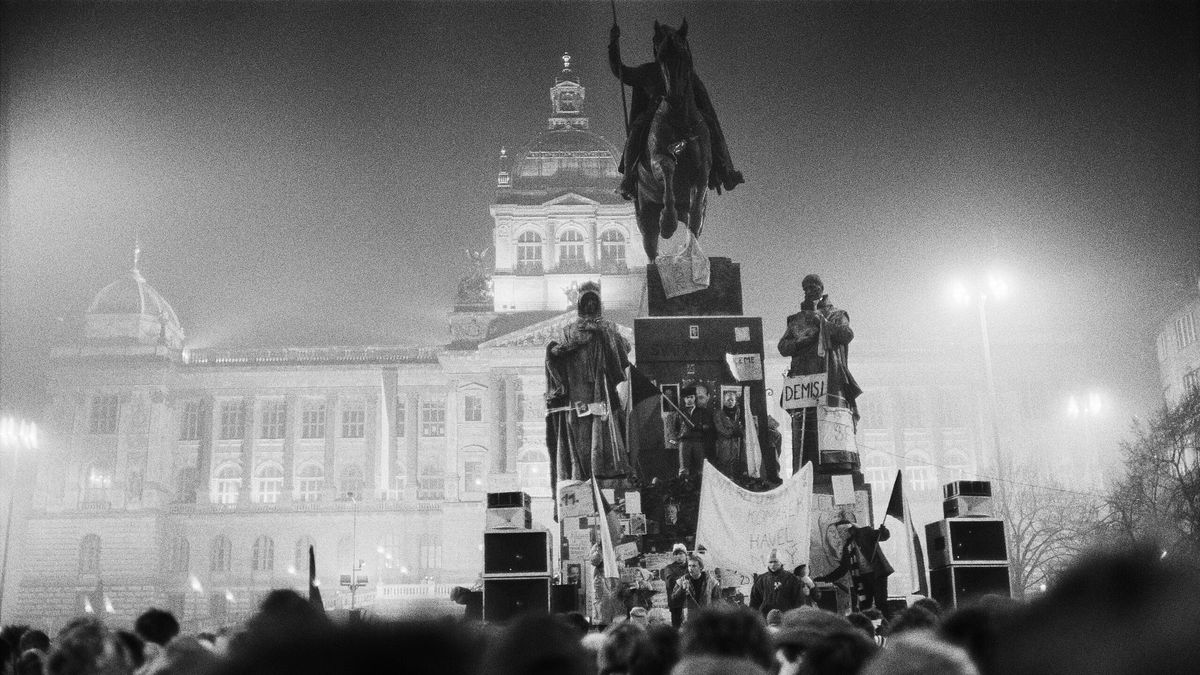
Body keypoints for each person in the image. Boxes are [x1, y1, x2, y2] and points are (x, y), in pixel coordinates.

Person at [607, 22, 744, 200]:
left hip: (686, 114)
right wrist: (613, 44)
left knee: (710, 124)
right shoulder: (648, 71)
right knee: (636, 130)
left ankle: (723, 169)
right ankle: (629, 177)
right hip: (655, 116)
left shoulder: (685, 72)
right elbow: (621, 71)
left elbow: (702, 99)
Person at [547, 281, 633, 480]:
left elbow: (626, 348)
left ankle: (605, 465)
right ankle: (582, 469)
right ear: (580, 304)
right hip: (577, 383)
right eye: (587, 302)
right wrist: (558, 350)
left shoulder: (608, 326)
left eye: (594, 302)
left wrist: (605, 333)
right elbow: (558, 351)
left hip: (601, 383)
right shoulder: (569, 329)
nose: (591, 306)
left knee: (603, 419)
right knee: (577, 422)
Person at [777, 274, 861, 474]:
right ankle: (807, 467)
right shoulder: (797, 319)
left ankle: (837, 465)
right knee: (806, 426)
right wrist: (803, 342)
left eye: (814, 286)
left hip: (830, 378)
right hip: (804, 382)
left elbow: (846, 334)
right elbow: (783, 346)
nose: (809, 290)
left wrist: (821, 321)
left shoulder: (837, 314)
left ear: (822, 289)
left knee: (830, 422)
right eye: (806, 287)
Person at [815, 522, 893, 616]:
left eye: (843, 531)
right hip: (863, 578)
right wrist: (825, 579)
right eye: (839, 532)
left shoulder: (865, 532)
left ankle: (890, 628)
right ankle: (868, 628)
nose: (840, 534)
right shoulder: (847, 547)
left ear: (851, 529)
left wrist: (883, 530)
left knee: (881, 603)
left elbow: (884, 536)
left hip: (877, 574)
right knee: (865, 606)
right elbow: (844, 568)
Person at [669, 385, 716, 478]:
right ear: (684, 399)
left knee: (701, 468)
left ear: (695, 398)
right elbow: (674, 428)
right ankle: (683, 489)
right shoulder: (679, 413)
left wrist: (698, 427)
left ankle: (700, 489)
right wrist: (676, 439)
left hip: (698, 441)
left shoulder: (702, 412)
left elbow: (708, 426)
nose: (689, 399)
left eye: (691, 397)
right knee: (683, 469)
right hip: (684, 442)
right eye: (687, 397)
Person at [749, 549, 804, 618]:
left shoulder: (792, 579)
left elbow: (798, 602)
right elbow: (754, 603)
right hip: (765, 618)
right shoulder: (761, 580)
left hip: (786, 618)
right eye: (770, 562)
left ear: (781, 562)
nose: (773, 564)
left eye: (775, 561)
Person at [671, 554, 721, 621]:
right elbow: (674, 599)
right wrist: (682, 589)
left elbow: (717, 601)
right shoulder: (682, 580)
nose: (690, 568)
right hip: (690, 618)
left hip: (706, 617)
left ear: (700, 567)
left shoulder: (711, 582)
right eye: (689, 566)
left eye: (694, 566)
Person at [712, 389, 745, 477]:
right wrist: (730, 433)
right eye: (728, 400)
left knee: (734, 460)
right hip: (723, 441)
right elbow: (719, 427)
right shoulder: (718, 413)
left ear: (735, 401)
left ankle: (732, 479)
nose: (730, 402)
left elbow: (740, 424)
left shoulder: (738, 412)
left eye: (732, 400)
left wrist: (739, 432)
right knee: (723, 460)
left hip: (735, 441)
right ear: (724, 401)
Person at [662, 543, 691, 628]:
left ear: (686, 554)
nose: (678, 556)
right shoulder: (669, 568)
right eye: (676, 554)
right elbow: (670, 582)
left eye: (681, 553)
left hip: (690, 602)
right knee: (677, 628)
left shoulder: (691, 566)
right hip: (676, 603)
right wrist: (688, 576)